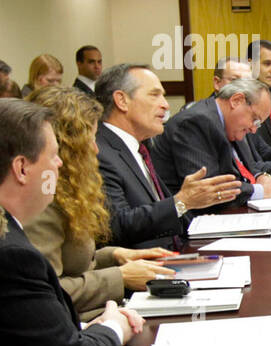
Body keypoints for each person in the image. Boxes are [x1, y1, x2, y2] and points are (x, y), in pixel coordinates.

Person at [0, 99, 143, 346]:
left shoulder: (11, 233)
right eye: (52, 156)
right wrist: (114, 327)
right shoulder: (12, 254)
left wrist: (87, 328)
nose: (60, 164)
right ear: (22, 168)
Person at [22, 87, 176, 318]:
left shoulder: (67, 187)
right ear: (65, 144)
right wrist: (120, 276)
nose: (96, 149)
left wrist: (115, 256)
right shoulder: (40, 202)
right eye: (90, 139)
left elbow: (78, 263)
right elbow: (48, 294)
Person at [96, 63, 242, 248]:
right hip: (144, 268)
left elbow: (161, 209)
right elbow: (117, 226)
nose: (165, 105)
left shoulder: (140, 146)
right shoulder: (99, 152)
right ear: (122, 100)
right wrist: (182, 202)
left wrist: (204, 224)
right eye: (154, 95)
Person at [151, 78, 271, 205]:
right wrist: (263, 191)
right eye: (255, 119)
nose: (254, 129)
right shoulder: (195, 123)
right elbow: (209, 190)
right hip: (194, 224)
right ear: (236, 100)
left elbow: (249, 167)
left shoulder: (231, 124)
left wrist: (261, 176)